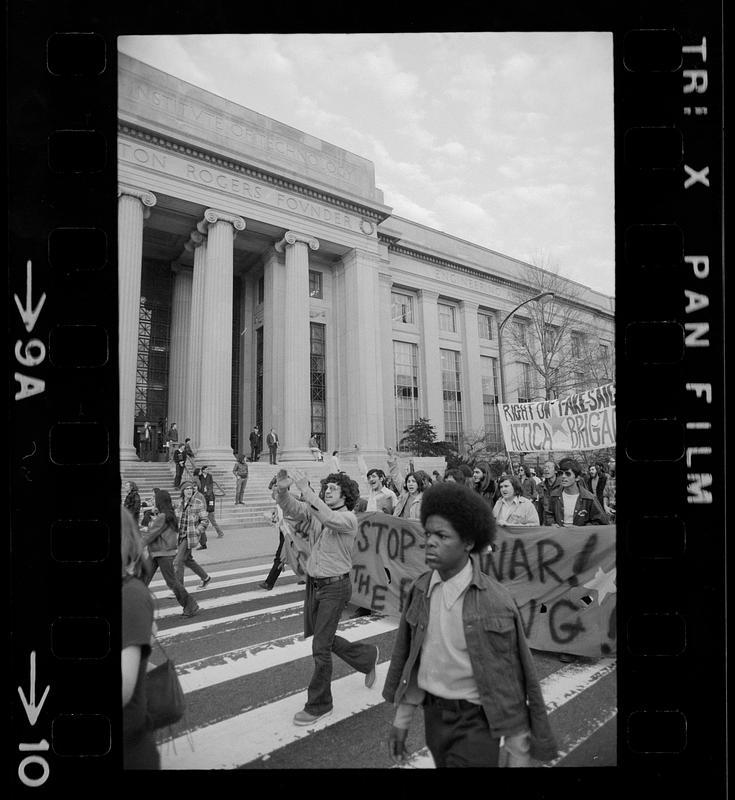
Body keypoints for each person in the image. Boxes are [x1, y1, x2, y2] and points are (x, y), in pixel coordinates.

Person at [382, 481, 557, 768]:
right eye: (428, 534)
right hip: (434, 717)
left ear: (468, 542)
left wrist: (518, 747)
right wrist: (401, 721)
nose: (430, 542)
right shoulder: (420, 590)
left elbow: (510, 679)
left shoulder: (495, 601)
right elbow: (409, 660)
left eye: (442, 535)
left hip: (477, 722)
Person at [273, 467, 380, 725]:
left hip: (336, 588)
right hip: (316, 585)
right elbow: (292, 508)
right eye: (327, 487)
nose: (328, 490)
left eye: (334, 488)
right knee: (323, 637)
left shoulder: (348, 519)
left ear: (346, 495)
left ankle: (320, 704)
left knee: (320, 646)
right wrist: (283, 488)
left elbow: (330, 518)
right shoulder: (317, 513)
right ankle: (366, 656)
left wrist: (307, 490)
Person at [121, 506, 160, 770]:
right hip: (156, 553)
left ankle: (190, 603)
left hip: (130, 751)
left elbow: (123, 687)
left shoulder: (130, 595)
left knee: (177, 570)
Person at [141, 489, 200, 617]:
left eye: (155, 499)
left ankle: (190, 605)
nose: (153, 501)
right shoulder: (169, 515)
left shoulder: (162, 517)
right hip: (158, 553)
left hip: (162, 553)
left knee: (171, 582)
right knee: (143, 579)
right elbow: (156, 532)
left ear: (159, 501)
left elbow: (151, 535)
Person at [551, 458, 609, 527]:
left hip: (580, 537)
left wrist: (581, 529)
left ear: (577, 478)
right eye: (561, 473)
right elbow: (548, 514)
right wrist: (552, 523)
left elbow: (601, 522)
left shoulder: (589, 498)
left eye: (568, 474)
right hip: (559, 536)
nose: (563, 476)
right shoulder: (554, 495)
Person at [173, 481, 211, 588]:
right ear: (182, 491)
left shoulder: (198, 502)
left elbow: (205, 520)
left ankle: (179, 588)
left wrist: (197, 531)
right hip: (180, 535)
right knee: (187, 560)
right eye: (186, 489)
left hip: (189, 536)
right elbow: (175, 517)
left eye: (190, 488)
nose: (189, 490)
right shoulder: (178, 503)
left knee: (178, 561)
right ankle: (205, 578)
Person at [197, 465, 224, 542]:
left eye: (208, 469)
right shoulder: (200, 476)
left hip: (209, 509)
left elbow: (211, 501)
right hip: (204, 506)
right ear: (203, 470)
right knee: (203, 521)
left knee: (212, 520)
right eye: (206, 469)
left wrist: (210, 509)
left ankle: (220, 532)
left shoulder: (210, 477)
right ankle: (201, 535)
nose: (208, 470)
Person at [538, 460, 562, 525]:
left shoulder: (562, 486)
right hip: (545, 524)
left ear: (555, 471)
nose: (546, 470)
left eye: (549, 467)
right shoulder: (540, 486)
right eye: (545, 468)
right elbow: (539, 508)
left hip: (559, 524)